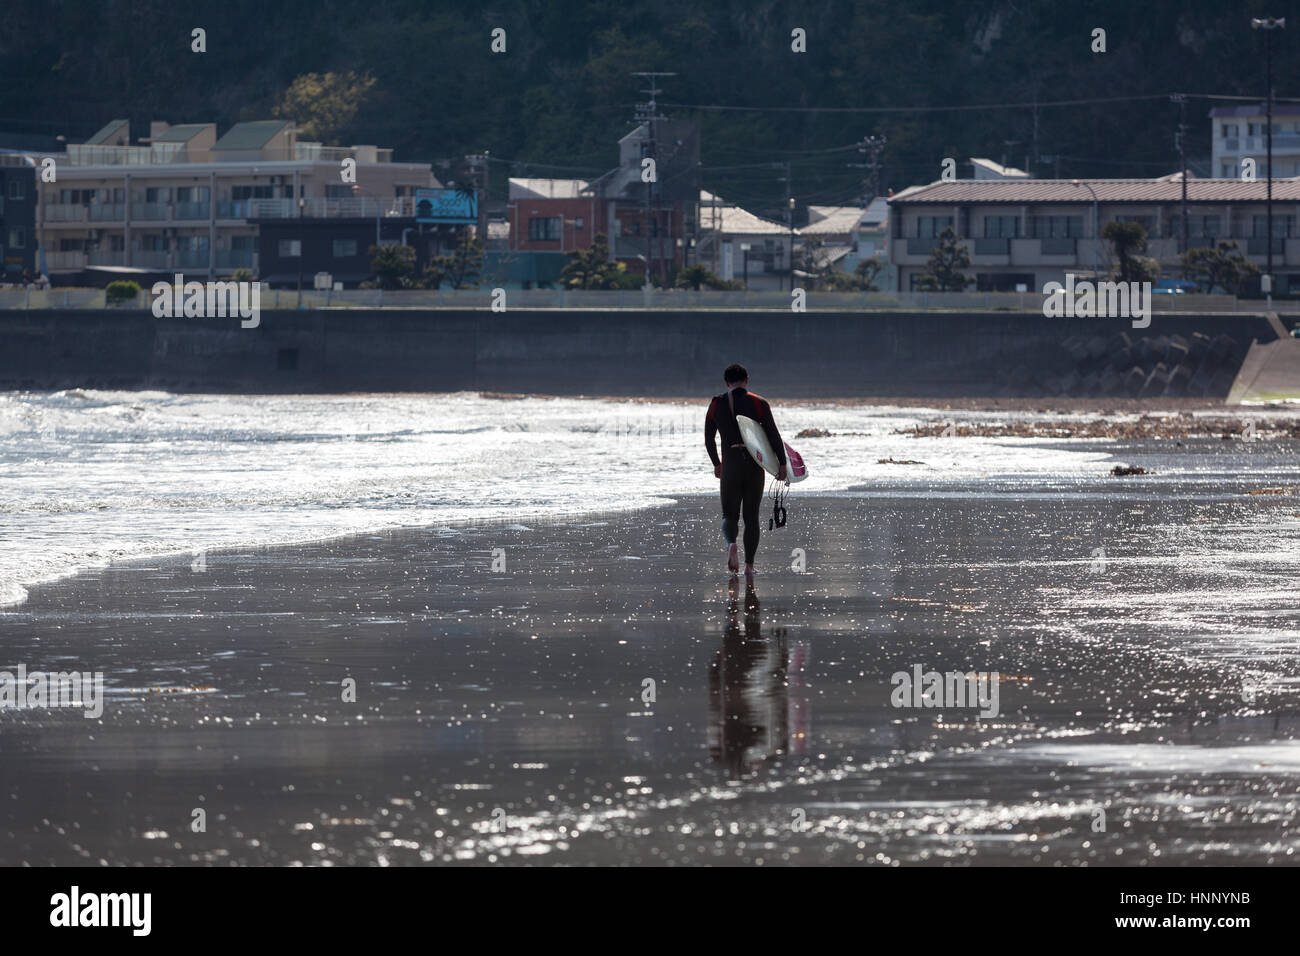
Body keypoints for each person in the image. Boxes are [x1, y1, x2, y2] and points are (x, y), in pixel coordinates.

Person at [704, 364, 786, 577]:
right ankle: (749, 566)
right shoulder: (759, 404)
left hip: (730, 464)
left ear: (726, 382)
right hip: (754, 466)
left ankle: (732, 543)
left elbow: (708, 439)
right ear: (747, 380)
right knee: (751, 518)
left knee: (728, 515)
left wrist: (717, 464)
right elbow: (773, 435)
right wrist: (782, 464)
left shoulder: (716, 404)